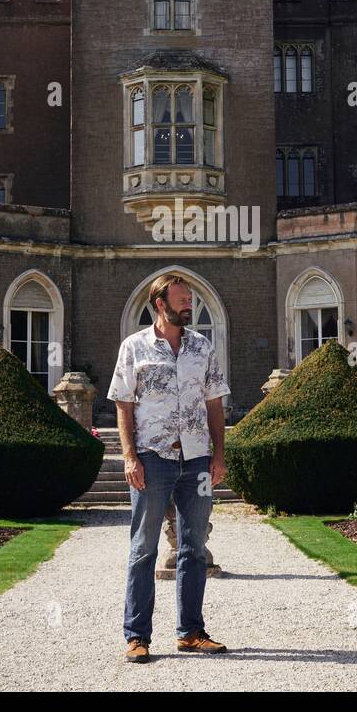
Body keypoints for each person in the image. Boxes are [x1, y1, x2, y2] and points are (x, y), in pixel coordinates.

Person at [108, 273, 230, 663]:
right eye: (182, 300)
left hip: (195, 460)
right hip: (152, 458)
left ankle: (191, 632)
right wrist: (130, 457)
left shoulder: (202, 347)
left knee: (194, 548)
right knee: (144, 549)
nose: (188, 306)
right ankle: (137, 636)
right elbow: (123, 405)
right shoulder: (134, 347)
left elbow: (215, 403)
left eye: (190, 300)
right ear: (160, 304)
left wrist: (218, 454)